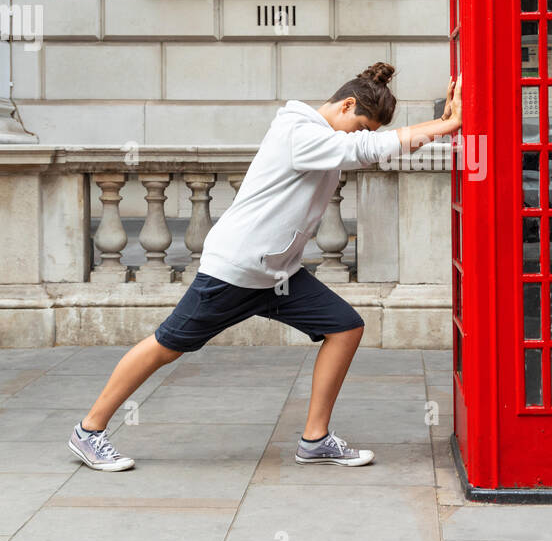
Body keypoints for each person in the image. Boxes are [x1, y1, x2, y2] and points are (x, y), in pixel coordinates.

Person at [68, 63, 462, 472]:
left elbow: (371, 149)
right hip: (236, 269)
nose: (361, 135)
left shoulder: (322, 136)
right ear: (347, 105)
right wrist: (447, 125)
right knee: (167, 345)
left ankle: (315, 439)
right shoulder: (301, 132)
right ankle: (88, 430)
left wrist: (440, 124)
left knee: (344, 327)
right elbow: (362, 151)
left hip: (278, 273)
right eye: (361, 125)